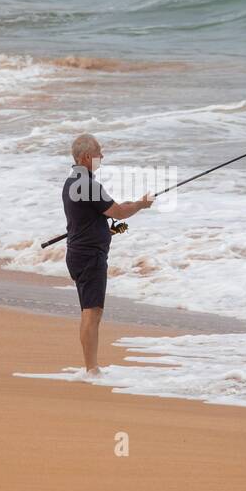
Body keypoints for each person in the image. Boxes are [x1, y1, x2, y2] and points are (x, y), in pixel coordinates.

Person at [61, 133, 153, 374]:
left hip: (79, 253)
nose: (102, 157)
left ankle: (91, 367)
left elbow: (90, 219)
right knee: (92, 312)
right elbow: (119, 212)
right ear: (85, 156)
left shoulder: (72, 182)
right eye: (99, 153)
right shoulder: (87, 184)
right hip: (89, 256)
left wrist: (106, 230)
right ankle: (92, 369)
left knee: (89, 311)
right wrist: (142, 204)